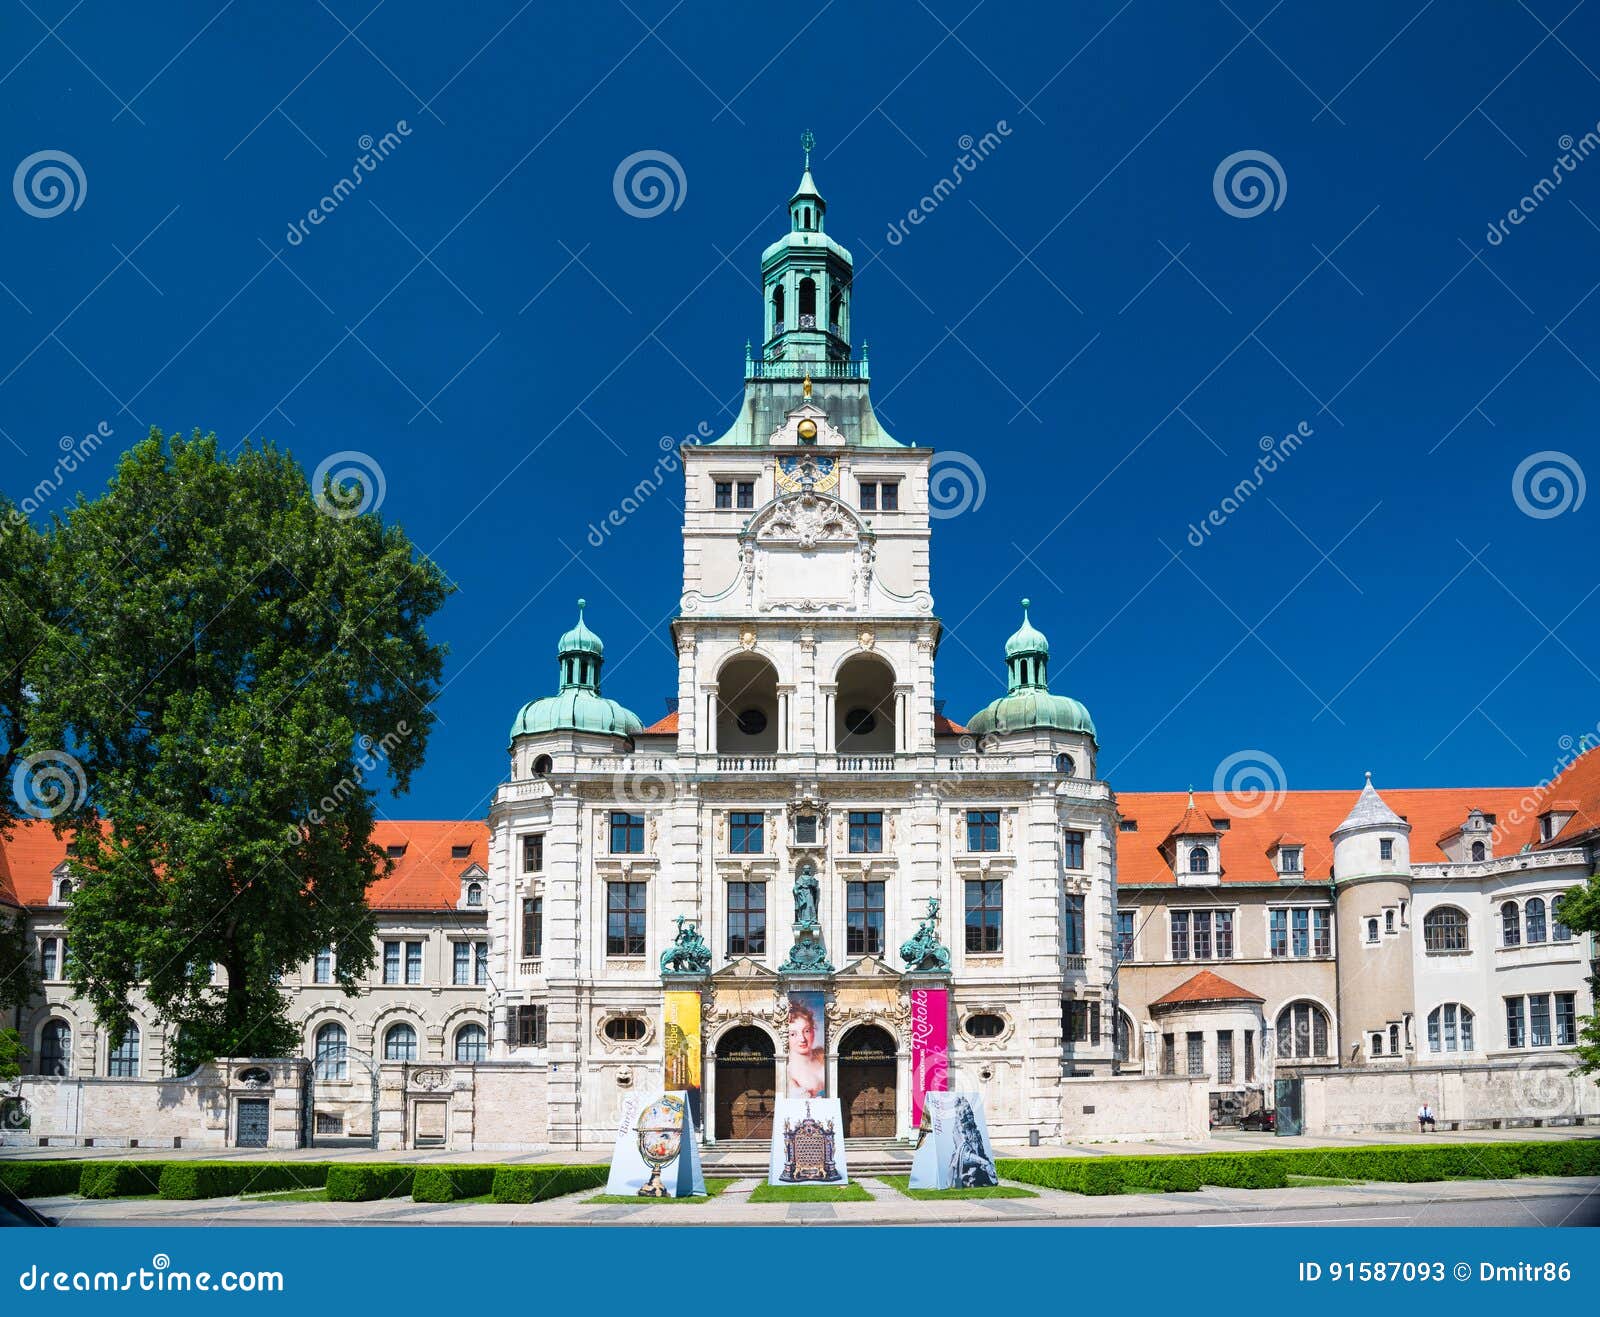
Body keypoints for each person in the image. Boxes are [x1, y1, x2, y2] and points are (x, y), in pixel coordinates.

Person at [786, 1003, 826, 1098]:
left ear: (813, 1030)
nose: (802, 1039)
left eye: (806, 1031)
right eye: (793, 1034)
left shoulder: (822, 1055)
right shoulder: (787, 1071)